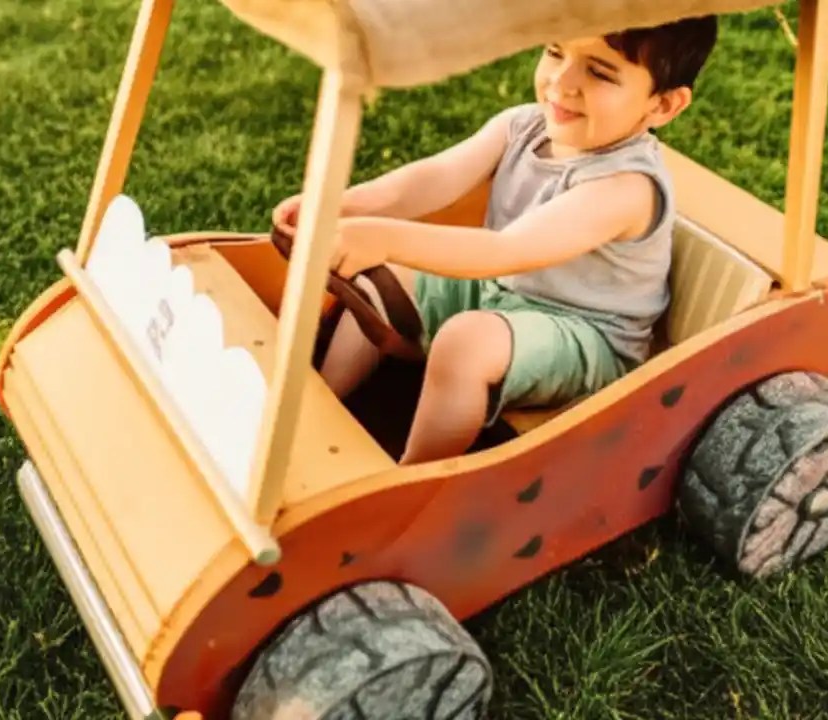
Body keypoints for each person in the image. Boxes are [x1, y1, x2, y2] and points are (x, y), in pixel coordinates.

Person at [273, 16, 718, 464]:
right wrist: (339, 205)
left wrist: (384, 236)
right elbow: (432, 178)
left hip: (586, 335)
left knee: (466, 344)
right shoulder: (524, 125)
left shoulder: (625, 187)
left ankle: (411, 479)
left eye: (599, 72)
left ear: (663, 106)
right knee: (377, 277)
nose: (562, 83)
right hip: (501, 291)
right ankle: (319, 408)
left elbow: (507, 251)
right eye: (554, 51)